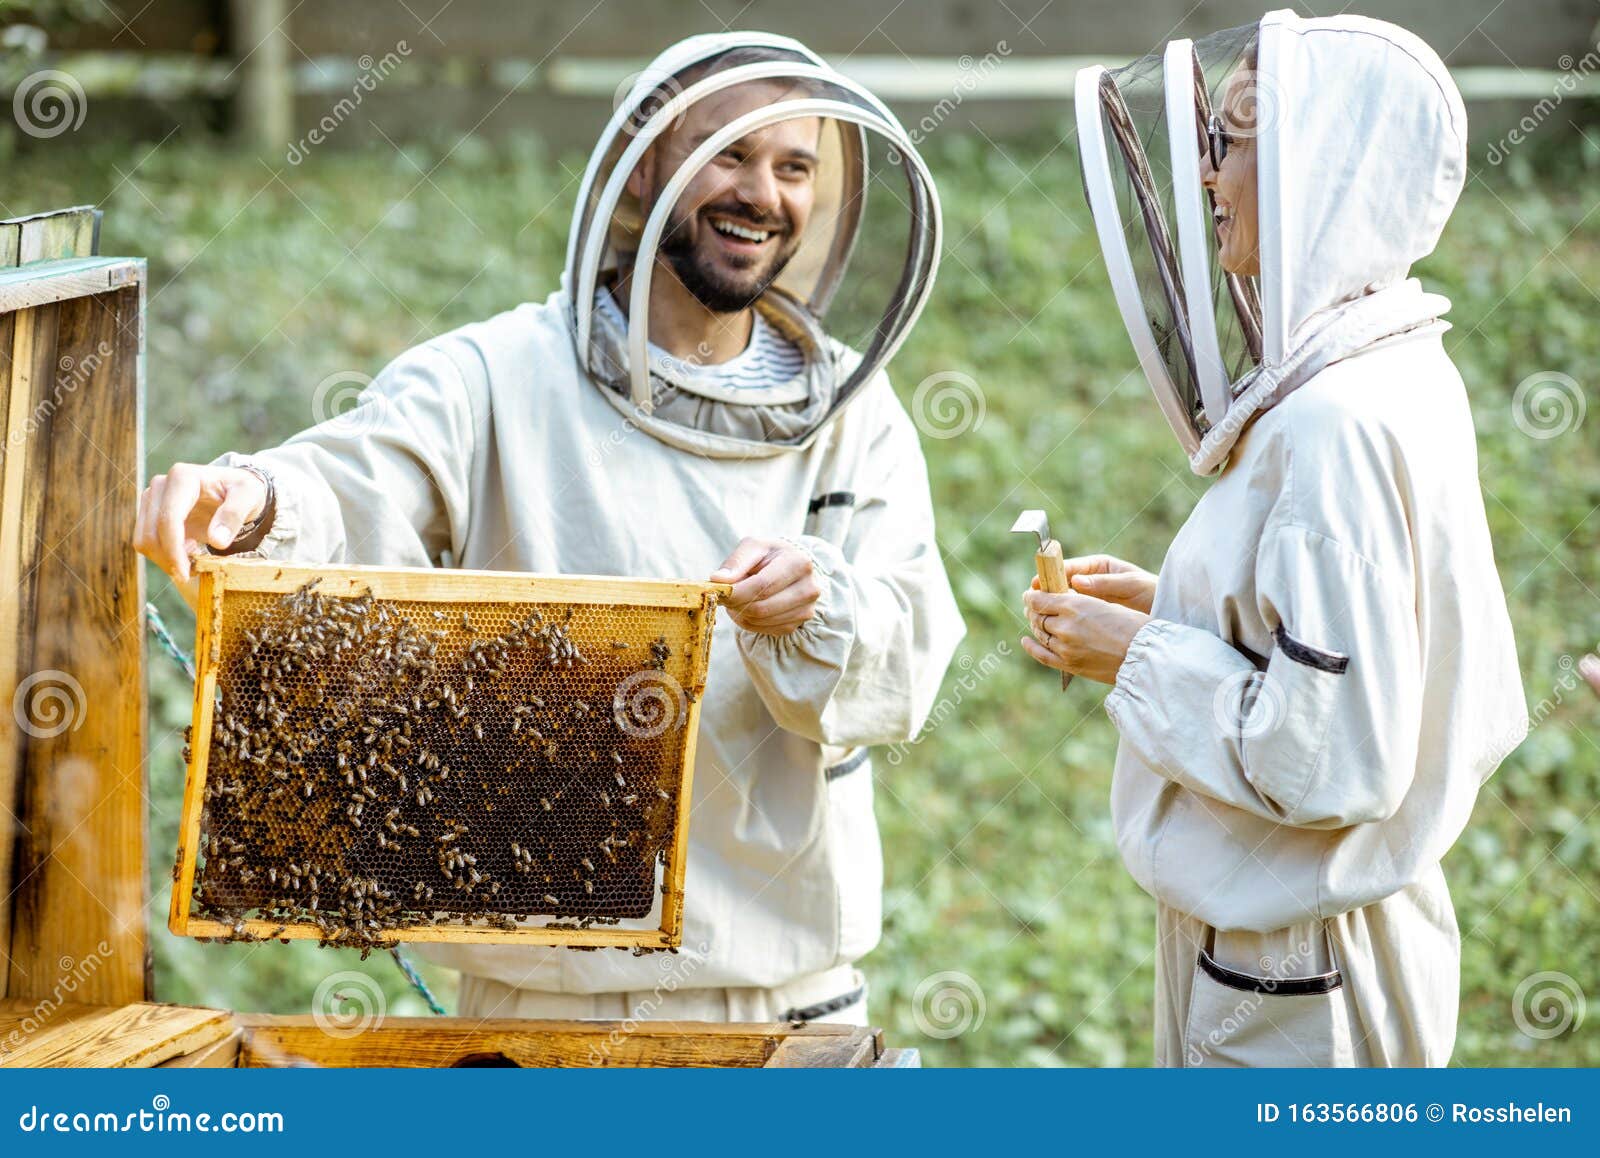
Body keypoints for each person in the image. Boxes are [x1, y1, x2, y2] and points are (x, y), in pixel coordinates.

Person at [133, 32, 964, 1025]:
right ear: (644, 162)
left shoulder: (854, 417)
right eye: (729, 153)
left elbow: (905, 661)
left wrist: (820, 603)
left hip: (784, 1002)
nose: (763, 194)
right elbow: (350, 489)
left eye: (794, 167)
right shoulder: (493, 376)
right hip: (539, 1004)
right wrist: (251, 502)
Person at [1028, 11, 1526, 1065]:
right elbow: (1353, 643)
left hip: (1302, 985)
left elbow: (1332, 759)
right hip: (1294, 953)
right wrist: (1177, 601)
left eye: (1236, 139)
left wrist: (1136, 652)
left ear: (1327, 157)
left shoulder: (1333, 419)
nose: (1207, 177)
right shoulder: (1391, 365)